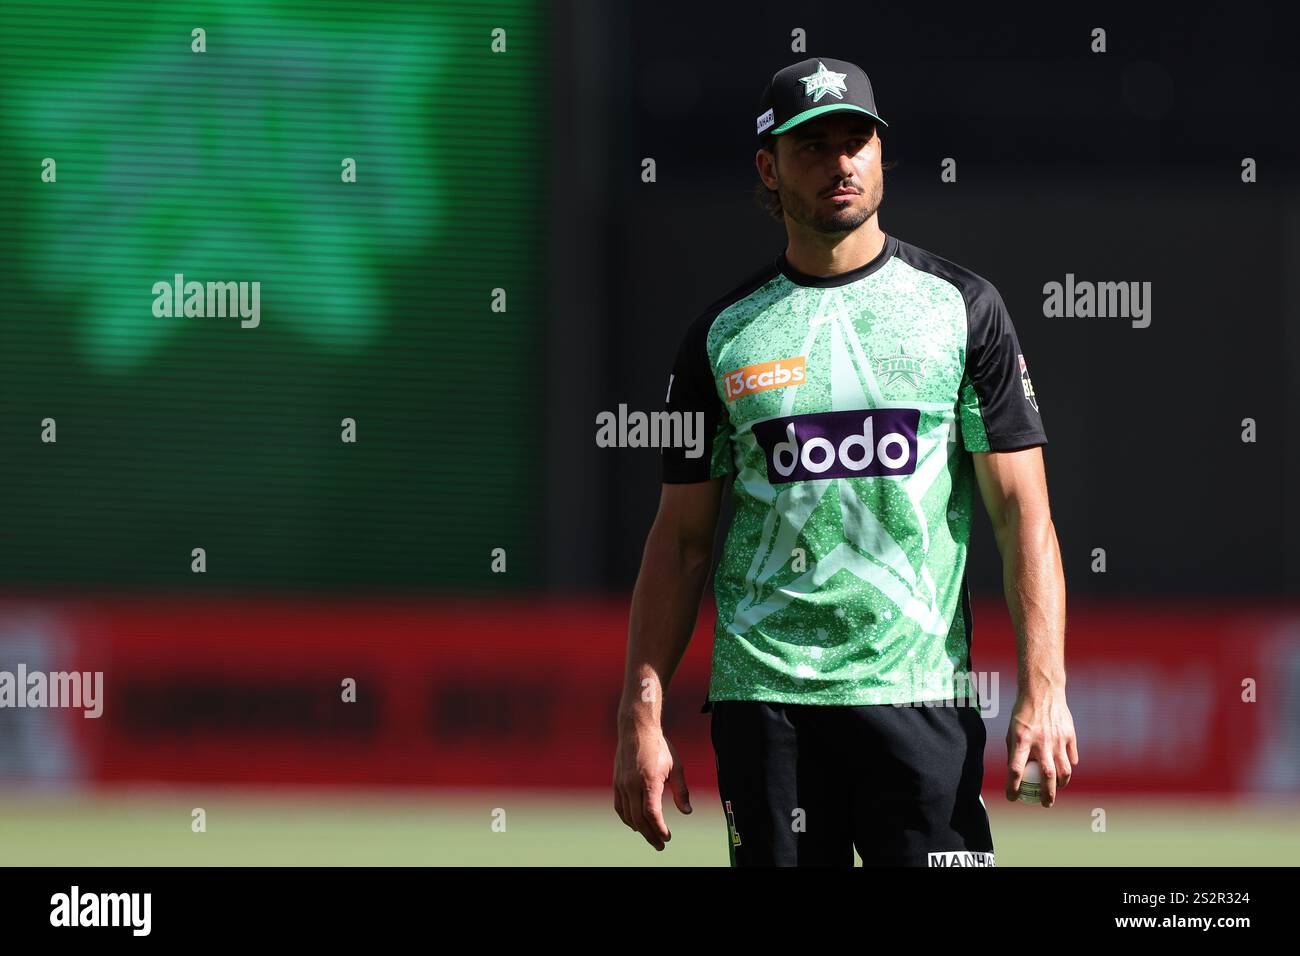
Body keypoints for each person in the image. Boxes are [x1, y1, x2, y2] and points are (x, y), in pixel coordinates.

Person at [613, 56, 1078, 866]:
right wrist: (640, 717)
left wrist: (1046, 686)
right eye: (813, 146)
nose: (841, 164)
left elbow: (1022, 515)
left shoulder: (963, 310)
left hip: (921, 701)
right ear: (769, 167)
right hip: (768, 709)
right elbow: (680, 542)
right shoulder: (720, 337)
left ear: (881, 153)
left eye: (857, 142)